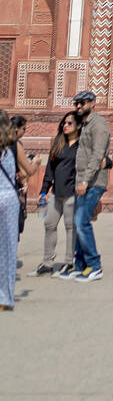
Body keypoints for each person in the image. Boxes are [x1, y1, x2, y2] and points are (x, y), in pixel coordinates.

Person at [71, 90, 111, 283]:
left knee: (81, 222)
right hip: (83, 181)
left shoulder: (99, 125)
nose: (79, 106)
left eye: (82, 103)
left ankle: (94, 265)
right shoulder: (86, 125)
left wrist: (86, 180)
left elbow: (97, 155)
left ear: (93, 103)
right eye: (76, 103)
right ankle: (80, 265)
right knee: (78, 223)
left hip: (92, 182)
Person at [34, 113, 81, 276]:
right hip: (56, 192)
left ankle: (69, 262)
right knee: (49, 225)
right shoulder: (58, 142)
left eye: (69, 123)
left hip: (71, 193)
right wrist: (43, 190)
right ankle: (47, 262)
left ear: (78, 126)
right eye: (64, 123)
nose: (65, 126)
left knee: (70, 228)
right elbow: (50, 168)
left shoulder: (81, 146)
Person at [0, 110, 29, 309]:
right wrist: (34, 163)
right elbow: (29, 170)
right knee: (8, 250)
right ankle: (4, 298)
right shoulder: (14, 146)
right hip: (9, 199)